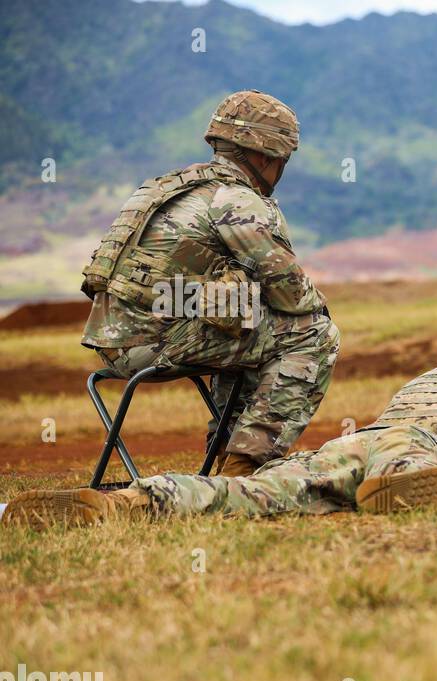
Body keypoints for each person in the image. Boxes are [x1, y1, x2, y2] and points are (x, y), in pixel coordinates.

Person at [3, 304, 437, 527]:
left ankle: (128, 502)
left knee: (251, 495)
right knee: (417, 475)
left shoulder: (433, 377)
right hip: (421, 453)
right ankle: (408, 494)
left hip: (354, 445)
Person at [78, 89, 340, 477]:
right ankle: (244, 467)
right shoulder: (236, 201)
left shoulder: (169, 188)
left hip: (113, 341)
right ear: (265, 156)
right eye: (282, 159)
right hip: (153, 343)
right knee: (315, 333)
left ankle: (228, 451)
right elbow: (292, 295)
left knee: (242, 316)